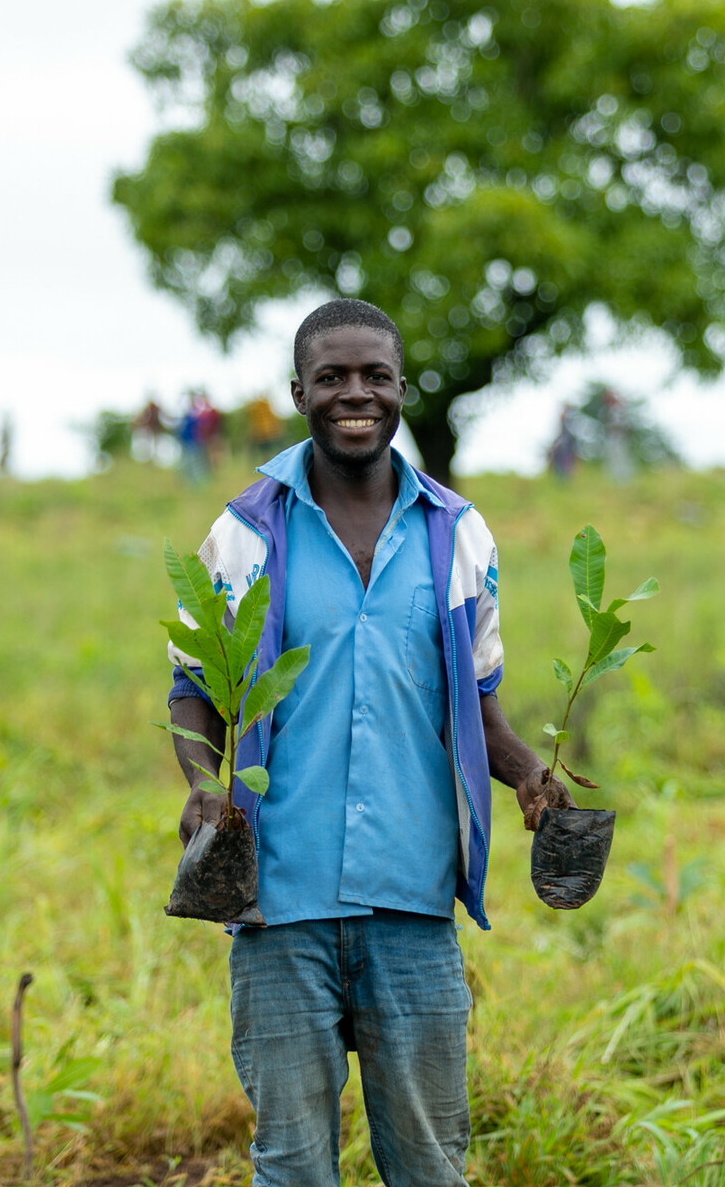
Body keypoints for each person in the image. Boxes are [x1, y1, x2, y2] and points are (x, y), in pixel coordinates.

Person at [164, 298, 572, 1187]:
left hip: (412, 901)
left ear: (399, 391)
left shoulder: (457, 535)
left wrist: (529, 775)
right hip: (279, 901)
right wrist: (201, 782)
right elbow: (194, 690)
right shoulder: (244, 534)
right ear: (299, 393)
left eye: (374, 376)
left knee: (428, 1163)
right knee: (293, 1165)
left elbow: (477, 708)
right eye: (332, 377)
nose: (356, 393)